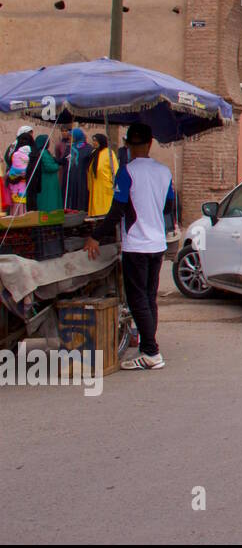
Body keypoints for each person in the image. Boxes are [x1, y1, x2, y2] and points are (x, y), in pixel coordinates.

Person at [85, 123, 175, 371]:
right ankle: (149, 346)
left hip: (136, 245)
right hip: (157, 244)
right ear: (150, 144)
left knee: (138, 300)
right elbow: (168, 207)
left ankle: (151, 352)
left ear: (128, 145)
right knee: (149, 297)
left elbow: (117, 211)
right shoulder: (164, 172)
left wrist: (95, 235)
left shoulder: (127, 172)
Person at [24, 133, 62, 212]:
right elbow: (49, 167)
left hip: (45, 179)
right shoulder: (43, 153)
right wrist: (58, 166)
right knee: (48, 199)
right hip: (47, 180)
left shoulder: (39, 152)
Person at [86, 133, 118, 216]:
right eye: (93, 140)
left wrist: (114, 184)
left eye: (96, 141)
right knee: (96, 208)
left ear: (101, 141)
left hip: (106, 186)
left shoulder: (109, 153)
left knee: (105, 209)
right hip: (95, 186)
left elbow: (115, 170)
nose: (94, 142)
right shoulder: (94, 153)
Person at [5, 127, 34, 216]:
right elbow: (8, 158)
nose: (31, 136)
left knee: (17, 202)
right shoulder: (18, 146)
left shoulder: (16, 146)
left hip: (14, 177)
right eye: (30, 134)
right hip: (16, 179)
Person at [62, 127, 92, 212]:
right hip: (71, 176)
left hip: (82, 176)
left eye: (71, 136)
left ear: (77, 136)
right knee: (71, 195)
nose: (70, 138)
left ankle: (83, 212)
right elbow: (63, 160)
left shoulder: (88, 148)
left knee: (82, 194)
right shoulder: (69, 147)